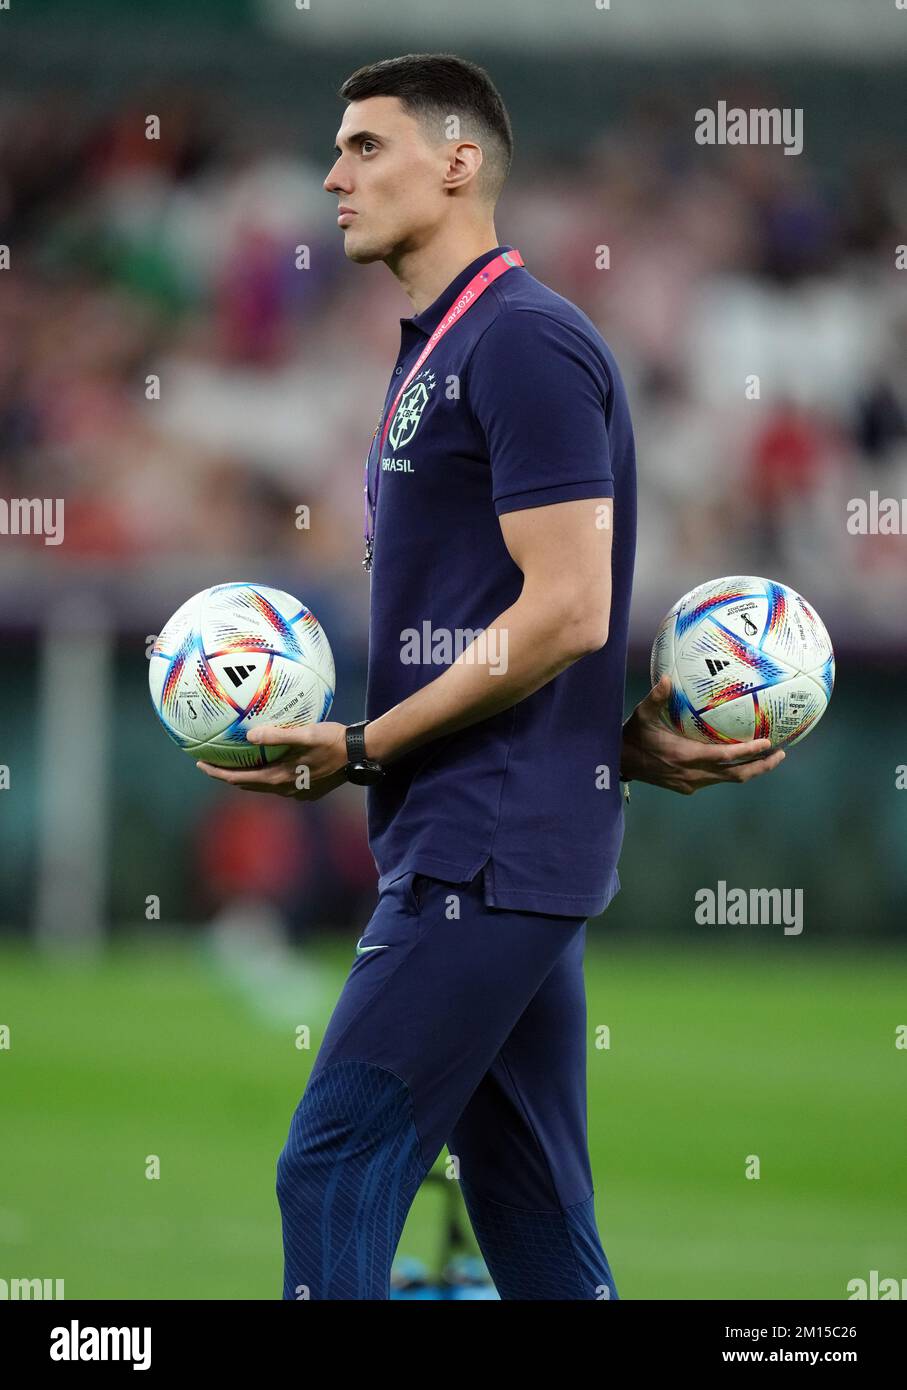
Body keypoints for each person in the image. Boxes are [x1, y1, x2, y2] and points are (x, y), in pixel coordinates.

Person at [198, 53, 784, 1300]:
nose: (332, 174)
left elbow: (568, 606)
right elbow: (521, 621)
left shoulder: (522, 341)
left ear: (458, 162)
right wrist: (606, 744)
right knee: (528, 1215)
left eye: (366, 147)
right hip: (497, 835)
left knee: (336, 1165)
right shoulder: (447, 346)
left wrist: (364, 745)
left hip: (485, 848)